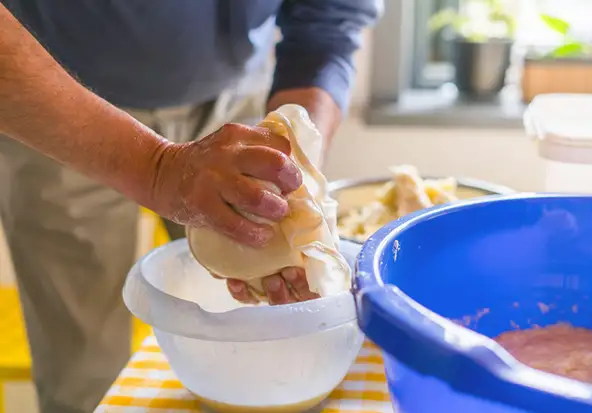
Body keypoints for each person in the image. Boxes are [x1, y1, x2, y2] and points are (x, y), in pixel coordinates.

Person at [0, 1, 381, 413]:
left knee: (263, 344)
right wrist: (156, 168)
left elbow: (328, 22)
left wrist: (295, 170)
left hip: (236, 103)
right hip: (58, 106)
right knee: (83, 374)